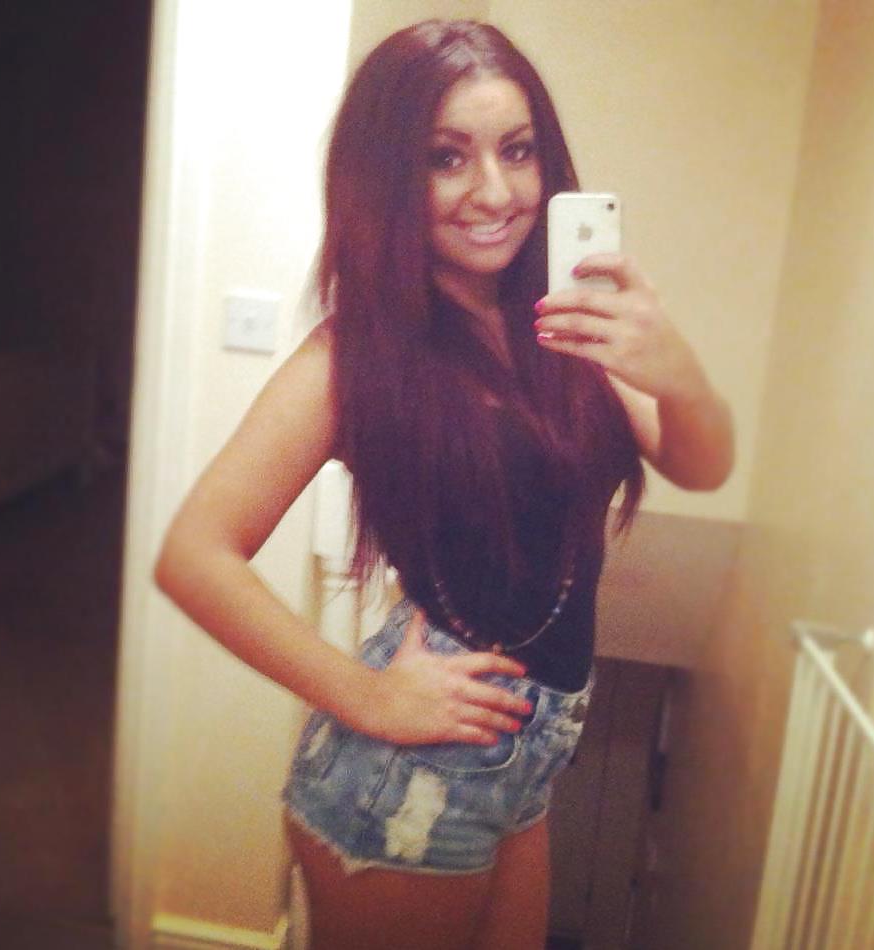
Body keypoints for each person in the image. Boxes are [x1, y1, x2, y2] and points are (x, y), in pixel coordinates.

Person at [154, 19, 733, 950]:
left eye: (517, 150)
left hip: (525, 755)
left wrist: (679, 372)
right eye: (446, 158)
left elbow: (701, 463)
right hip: (414, 773)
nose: (494, 192)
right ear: (388, 176)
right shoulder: (353, 358)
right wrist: (364, 696)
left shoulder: (563, 322)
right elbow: (193, 555)